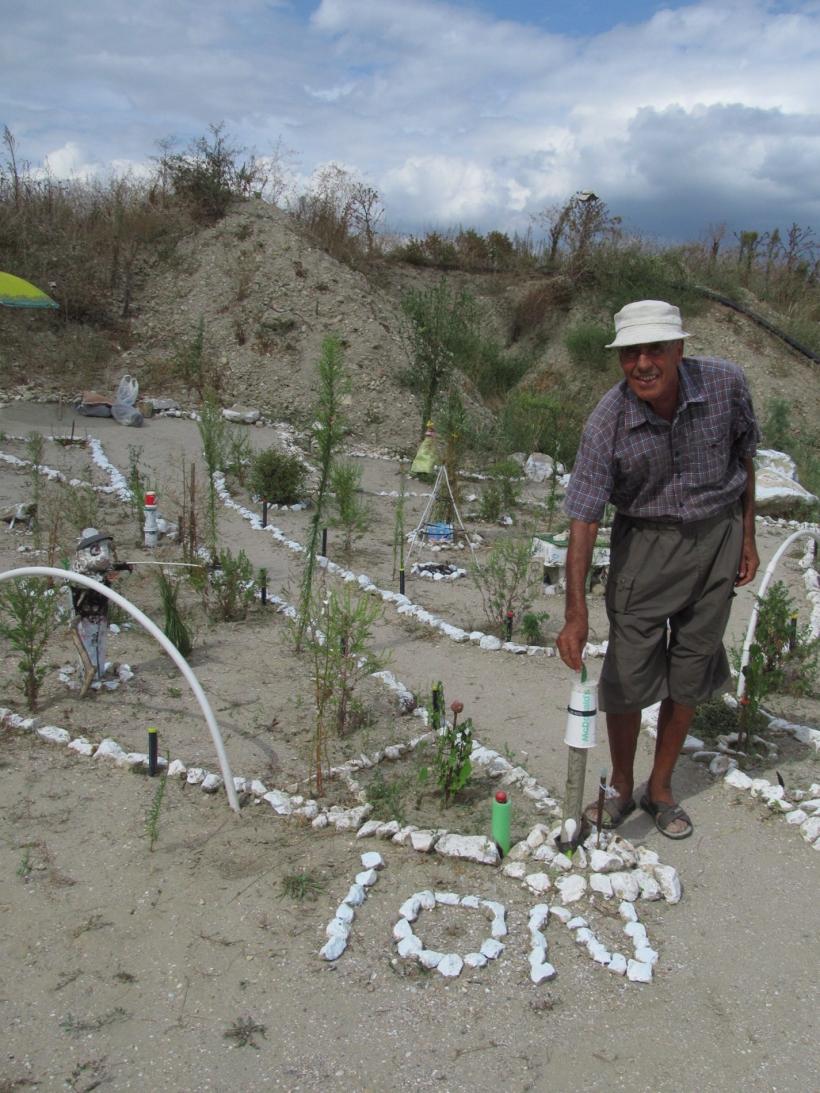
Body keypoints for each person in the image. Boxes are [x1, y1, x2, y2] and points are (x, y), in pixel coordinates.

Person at [556, 300, 760, 839]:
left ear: (679, 350)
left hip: (717, 537)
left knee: (691, 670)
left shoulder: (725, 384)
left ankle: (661, 787)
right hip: (645, 546)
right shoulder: (608, 421)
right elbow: (583, 517)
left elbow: (745, 457)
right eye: (630, 353)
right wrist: (575, 613)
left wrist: (748, 536)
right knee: (626, 673)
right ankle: (623, 787)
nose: (642, 363)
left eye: (655, 350)